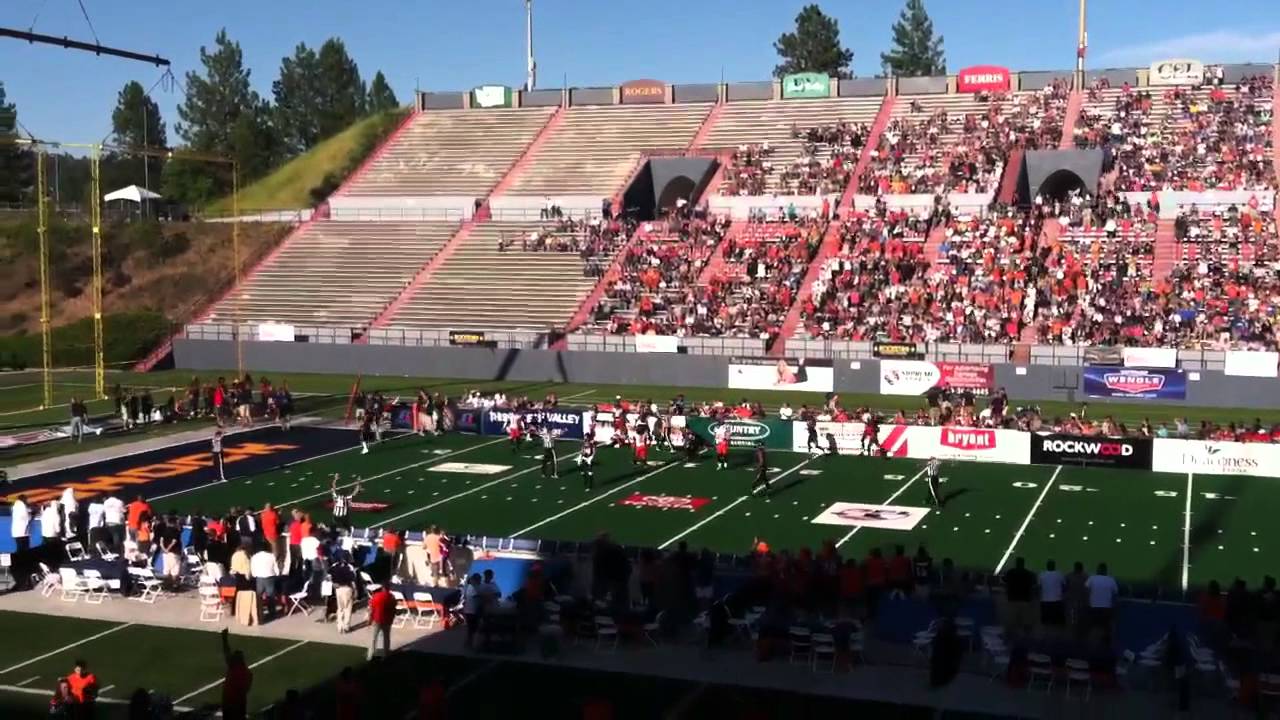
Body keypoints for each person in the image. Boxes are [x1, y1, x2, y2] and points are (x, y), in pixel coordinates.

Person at [220, 629, 253, 720]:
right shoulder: (248, 673)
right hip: (239, 703)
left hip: (229, 702)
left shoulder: (233, 667)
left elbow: (226, 652)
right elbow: (247, 689)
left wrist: (224, 638)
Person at [1003, 557, 1037, 641]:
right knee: (1026, 623)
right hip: (1025, 601)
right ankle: (1026, 639)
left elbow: (1004, 580)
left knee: (1011, 622)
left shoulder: (1011, 572)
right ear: (1023, 564)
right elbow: (1034, 582)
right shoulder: (1029, 573)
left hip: (1013, 600)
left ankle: (1009, 640)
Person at [1086, 562, 1119, 639]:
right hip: (1106, 608)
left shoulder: (1092, 578)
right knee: (1106, 628)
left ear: (1098, 570)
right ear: (1105, 571)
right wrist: (1114, 607)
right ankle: (1105, 644)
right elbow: (1115, 595)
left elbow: (1086, 591)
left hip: (1094, 607)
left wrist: (1088, 603)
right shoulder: (1111, 580)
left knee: (1093, 627)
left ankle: (1093, 643)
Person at [250, 543, 279, 620]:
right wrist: (277, 573)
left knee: (258, 596)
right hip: (270, 577)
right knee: (271, 596)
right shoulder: (271, 556)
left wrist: (254, 575)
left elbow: (252, 568)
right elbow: (275, 567)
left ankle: (259, 613)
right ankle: (272, 613)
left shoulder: (254, 557)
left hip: (259, 578)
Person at [330, 555, 357, 633]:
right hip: (347, 588)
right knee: (348, 608)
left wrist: (333, 583)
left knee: (340, 608)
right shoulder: (349, 567)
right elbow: (353, 580)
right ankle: (346, 627)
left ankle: (339, 626)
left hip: (338, 589)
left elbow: (329, 576)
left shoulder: (334, 566)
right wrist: (355, 590)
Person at [368, 585, 396, 659]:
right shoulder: (391, 596)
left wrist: (369, 620)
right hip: (387, 620)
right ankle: (386, 654)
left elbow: (371, 611)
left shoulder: (374, 598)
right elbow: (394, 608)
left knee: (373, 638)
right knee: (386, 638)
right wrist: (392, 618)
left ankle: (370, 655)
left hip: (377, 620)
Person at [1039, 559, 1066, 631]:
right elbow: (1064, 586)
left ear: (1047, 566)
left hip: (1045, 600)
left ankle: (1047, 635)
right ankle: (1057, 635)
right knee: (1058, 622)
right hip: (1057, 600)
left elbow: (1039, 587)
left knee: (1045, 621)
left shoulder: (1042, 575)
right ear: (1054, 566)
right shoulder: (1059, 574)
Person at [462, 573, 482, 649]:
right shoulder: (472, 588)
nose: (480, 581)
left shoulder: (470, 587)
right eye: (479, 580)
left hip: (469, 611)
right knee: (473, 629)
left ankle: (469, 643)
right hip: (471, 611)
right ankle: (470, 644)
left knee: (471, 629)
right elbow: (477, 598)